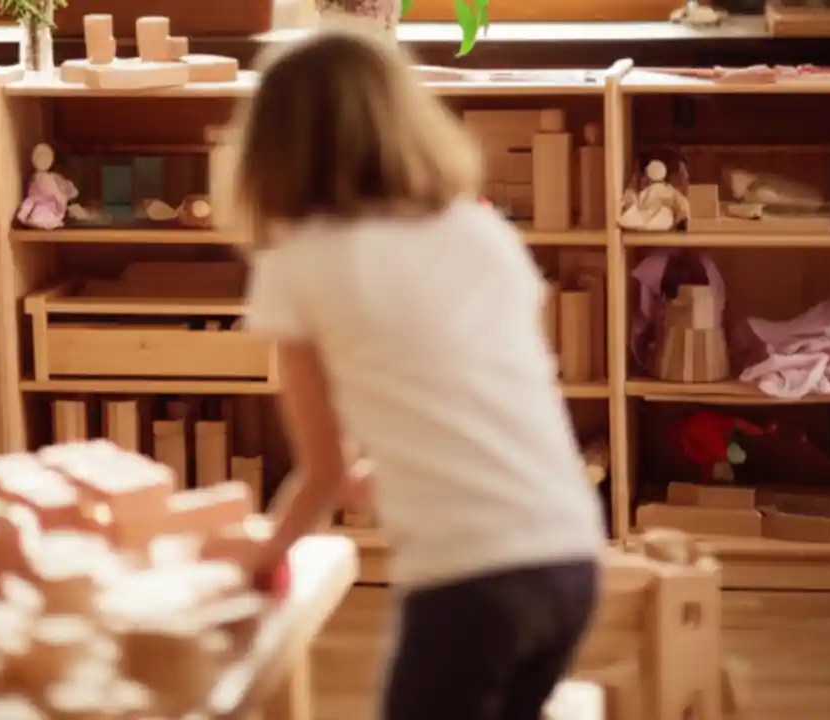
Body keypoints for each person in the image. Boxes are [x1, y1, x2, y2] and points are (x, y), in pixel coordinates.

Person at [210, 24, 606, 720]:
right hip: (571, 551)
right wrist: (394, 471)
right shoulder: (478, 230)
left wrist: (260, 556)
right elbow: (476, 396)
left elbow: (324, 472)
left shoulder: (298, 263)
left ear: (269, 148)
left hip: (471, 579)